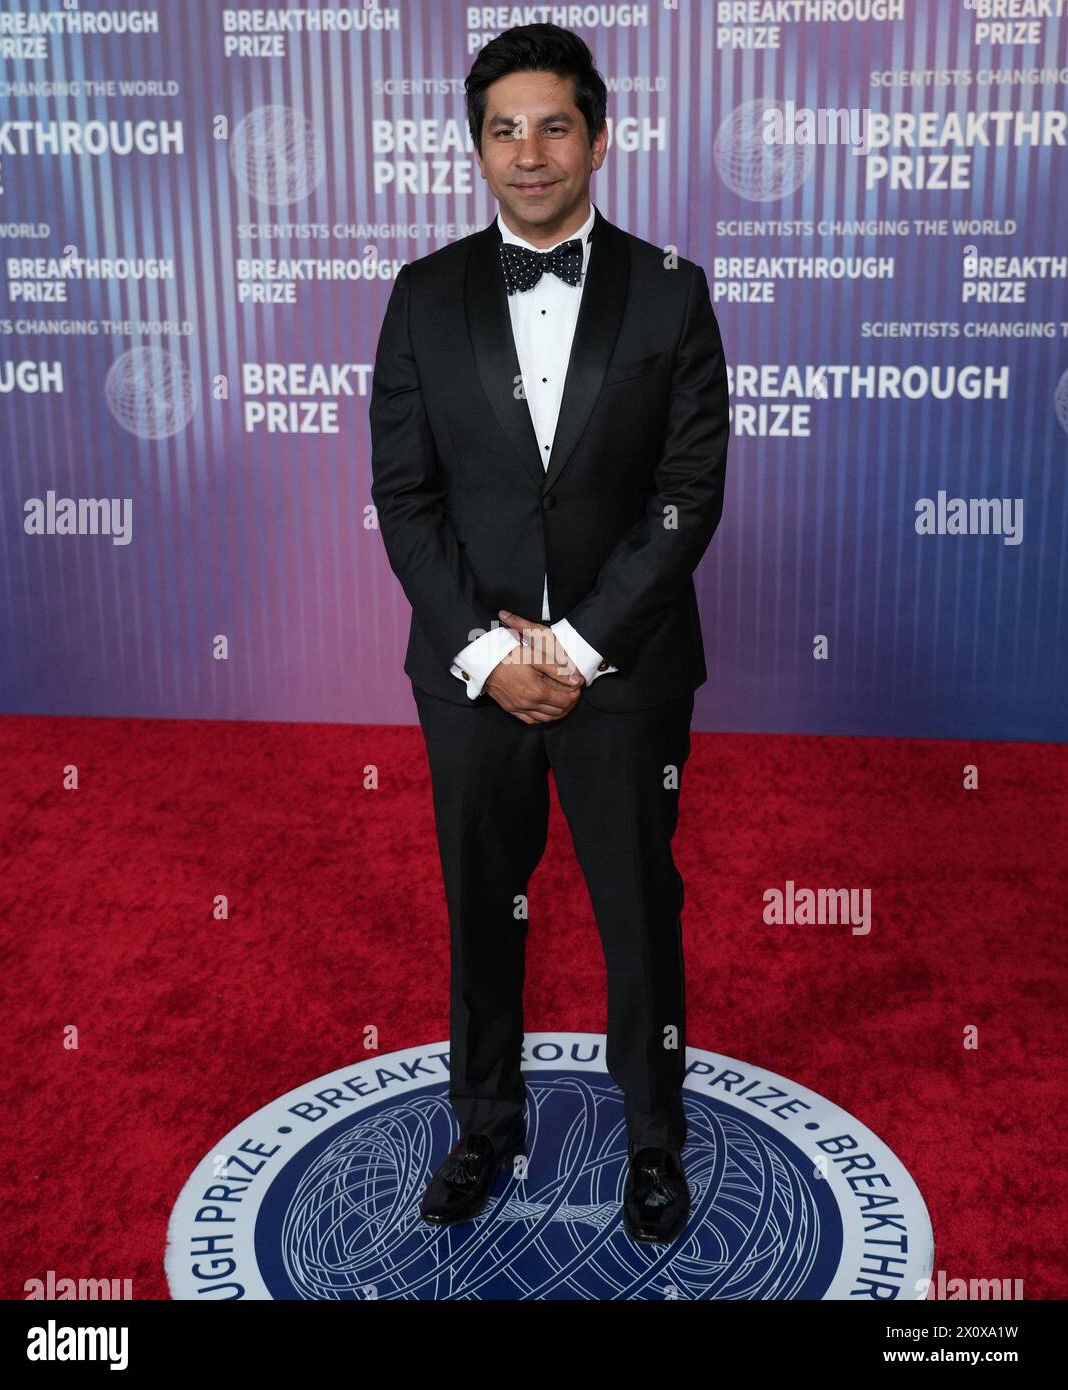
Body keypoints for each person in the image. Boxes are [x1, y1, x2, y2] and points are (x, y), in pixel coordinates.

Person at [369, 22, 729, 1244]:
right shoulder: (421, 295)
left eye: (552, 126)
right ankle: (482, 1121)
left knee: (638, 903)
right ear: (475, 148)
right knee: (481, 900)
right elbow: (404, 499)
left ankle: (652, 1137)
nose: (527, 154)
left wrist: (570, 649)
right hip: (466, 679)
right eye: (501, 130)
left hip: (622, 669)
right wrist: (486, 653)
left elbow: (687, 492)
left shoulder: (673, 291)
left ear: (600, 137)